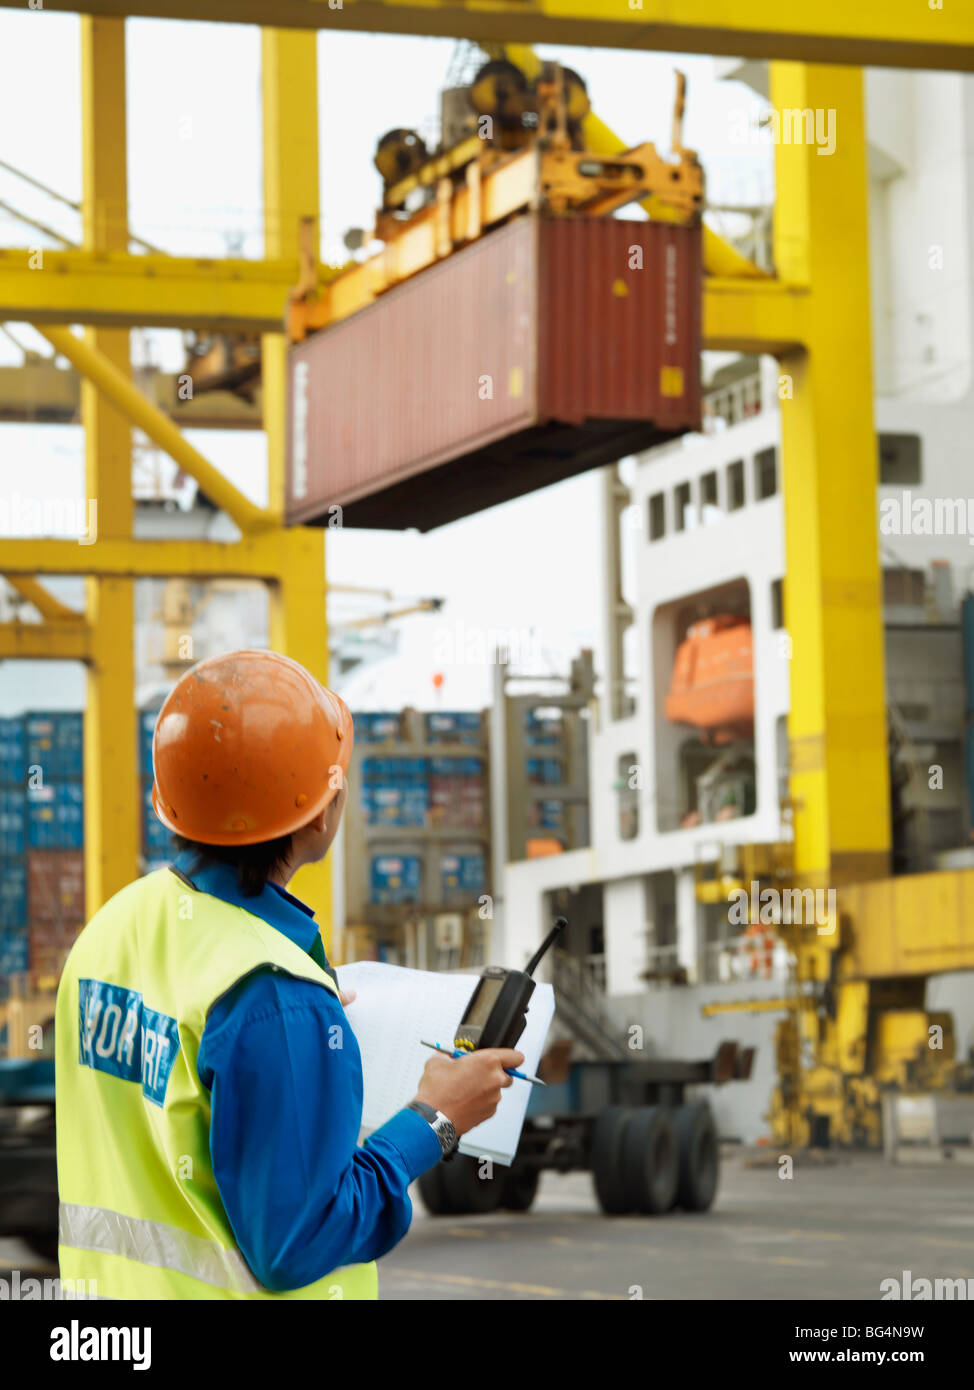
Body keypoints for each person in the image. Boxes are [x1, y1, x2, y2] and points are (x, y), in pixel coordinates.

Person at [55, 648, 523, 1300]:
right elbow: (298, 1243)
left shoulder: (110, 930)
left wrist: (302, 1034)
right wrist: (437, 1118)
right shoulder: (271, 993)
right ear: (320, 811)